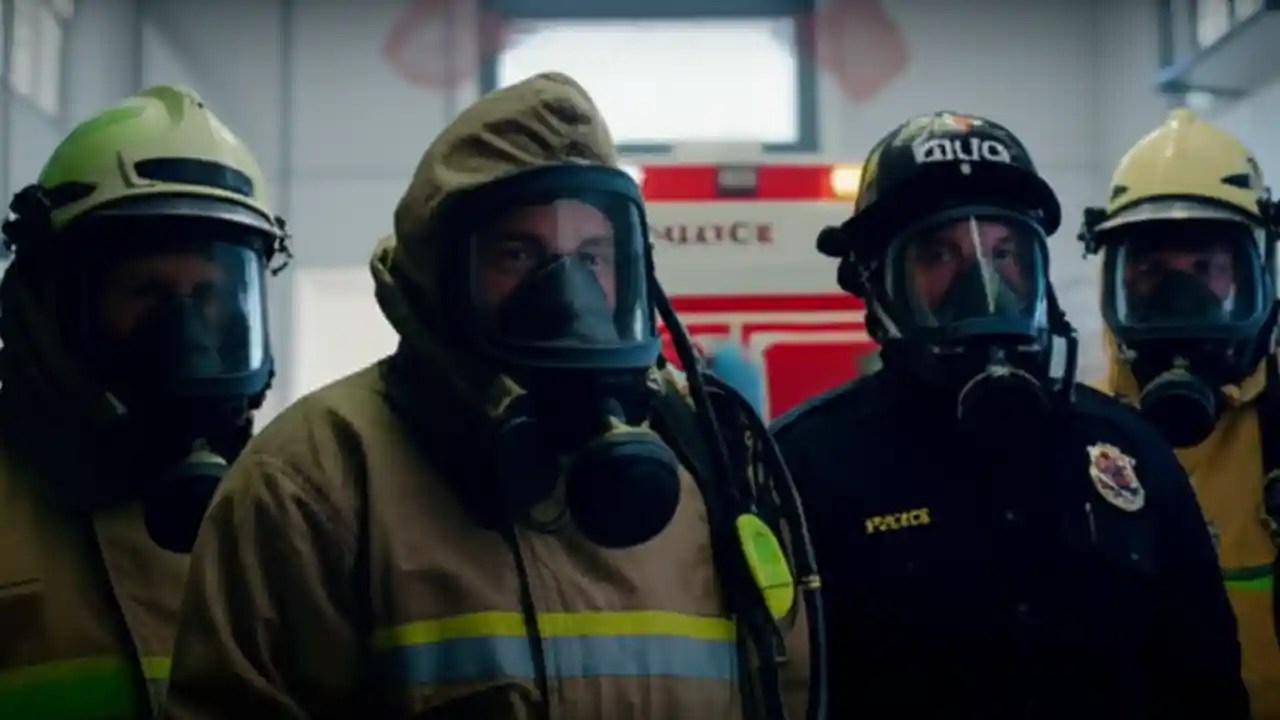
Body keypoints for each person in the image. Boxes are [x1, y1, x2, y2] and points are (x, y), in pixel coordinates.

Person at [162, 72, 823, 720]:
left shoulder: (710, 450)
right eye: (518, 255)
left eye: (591, 256)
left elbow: (786, 686)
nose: (569, 294)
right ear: (443, 274)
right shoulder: (311, 480)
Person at [772, 110, 1249, 718]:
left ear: (1035, 270)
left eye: (1004, 251)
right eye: (941, 254)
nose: (984, 281)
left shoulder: (1128, 451)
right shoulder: (804, 469)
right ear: (878, 281)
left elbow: (1206, 681)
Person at [0, 85, 290, 718]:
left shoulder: (288, 511)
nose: (187, 334)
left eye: (210, 296)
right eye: (146, 292)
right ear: (49, 307)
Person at [1079, 108, 1280, 718]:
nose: (1180, 298)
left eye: (1205, 270)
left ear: (1254, 276)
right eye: (1151, 271)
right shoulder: (1070, 439)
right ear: (1113, 282)